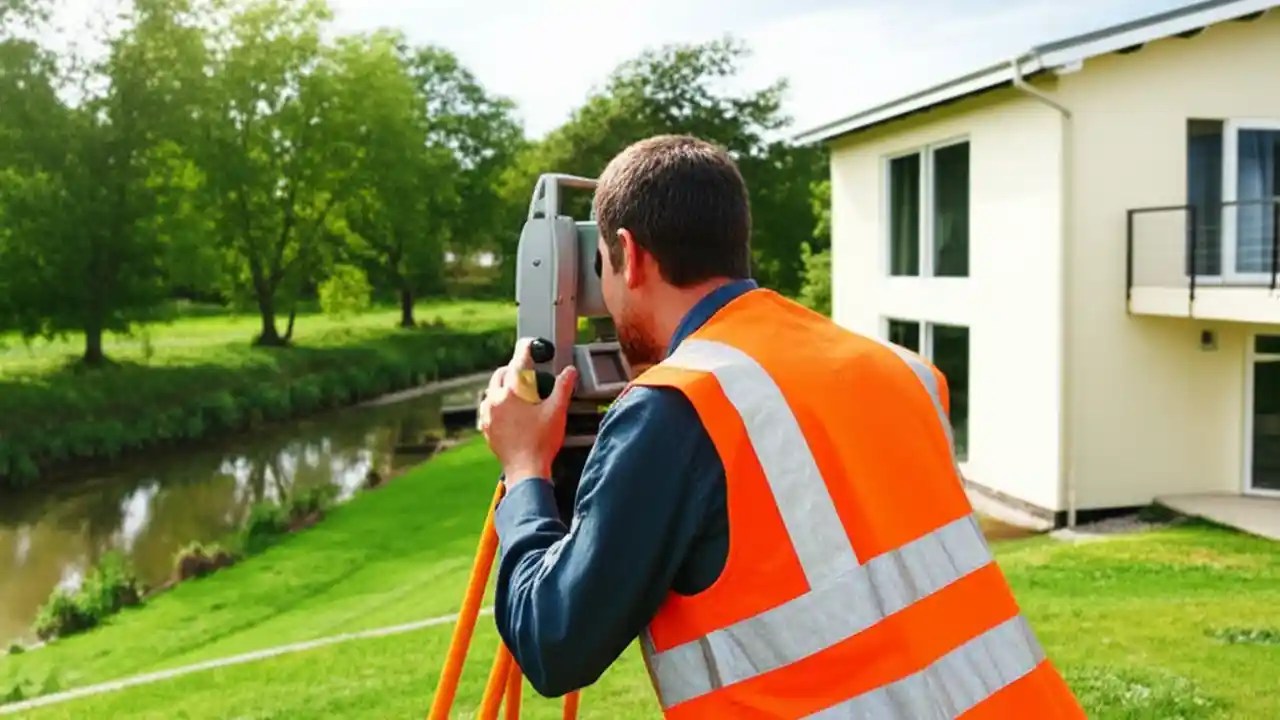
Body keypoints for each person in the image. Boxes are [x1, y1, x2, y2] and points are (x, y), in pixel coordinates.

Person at [476, 134, 1085, 719]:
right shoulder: (896, 368)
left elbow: (555, 643)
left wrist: (526, 468)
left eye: (602, 265)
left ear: (629, 256)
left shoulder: (678, 409)